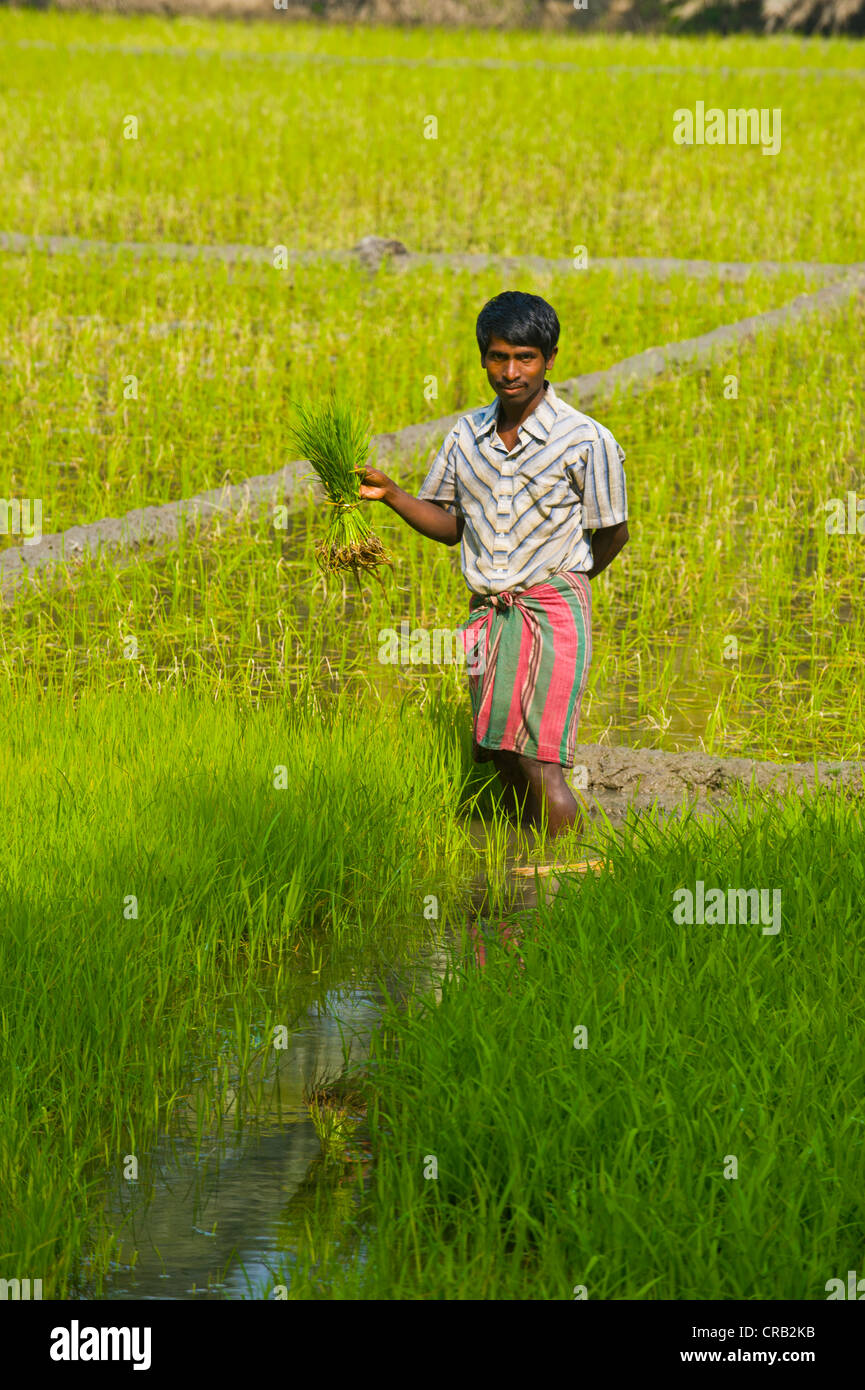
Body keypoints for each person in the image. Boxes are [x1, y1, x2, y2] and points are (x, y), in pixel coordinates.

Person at [356, 290, 629, 847]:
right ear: (483, 357)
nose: (511, 372)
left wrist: (563, 586)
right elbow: (453, 525)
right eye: (498, 357)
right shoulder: (466, 435)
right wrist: (393, 496)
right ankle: (514, 868)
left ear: (550, 359)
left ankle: (563, 877)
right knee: (498, 752)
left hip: (550, 609)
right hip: (490, 612)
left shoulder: (585, 440)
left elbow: (614, 531)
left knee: (538, 759)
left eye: (525, 357)